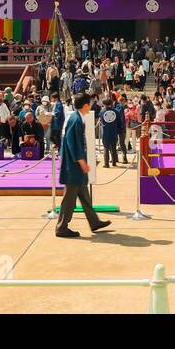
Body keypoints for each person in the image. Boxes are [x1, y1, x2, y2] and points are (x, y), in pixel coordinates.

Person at [55, 92, 111, 239]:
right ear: (86, 105)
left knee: (84, 195)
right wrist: (81, 161)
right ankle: (61, 227)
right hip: (73, 166)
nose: (91, 105)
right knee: (69, 199)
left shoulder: (75, 118)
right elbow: (72, 143)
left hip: (74, 165)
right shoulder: (76, 120)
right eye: (90, 103)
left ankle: (94, 222)